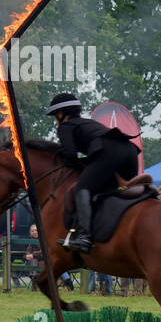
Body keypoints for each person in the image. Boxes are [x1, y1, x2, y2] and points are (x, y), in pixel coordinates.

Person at [46, 92, 140, 253]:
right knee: (109, 191)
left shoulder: (65, 127)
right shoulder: (87, 123)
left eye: (56, 116)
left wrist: (72, 161)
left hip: (108, 153)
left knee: (82, 188)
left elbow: (69, 155)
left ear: (61, 114)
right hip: (129, 152)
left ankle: (84, 236)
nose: (56, 120)